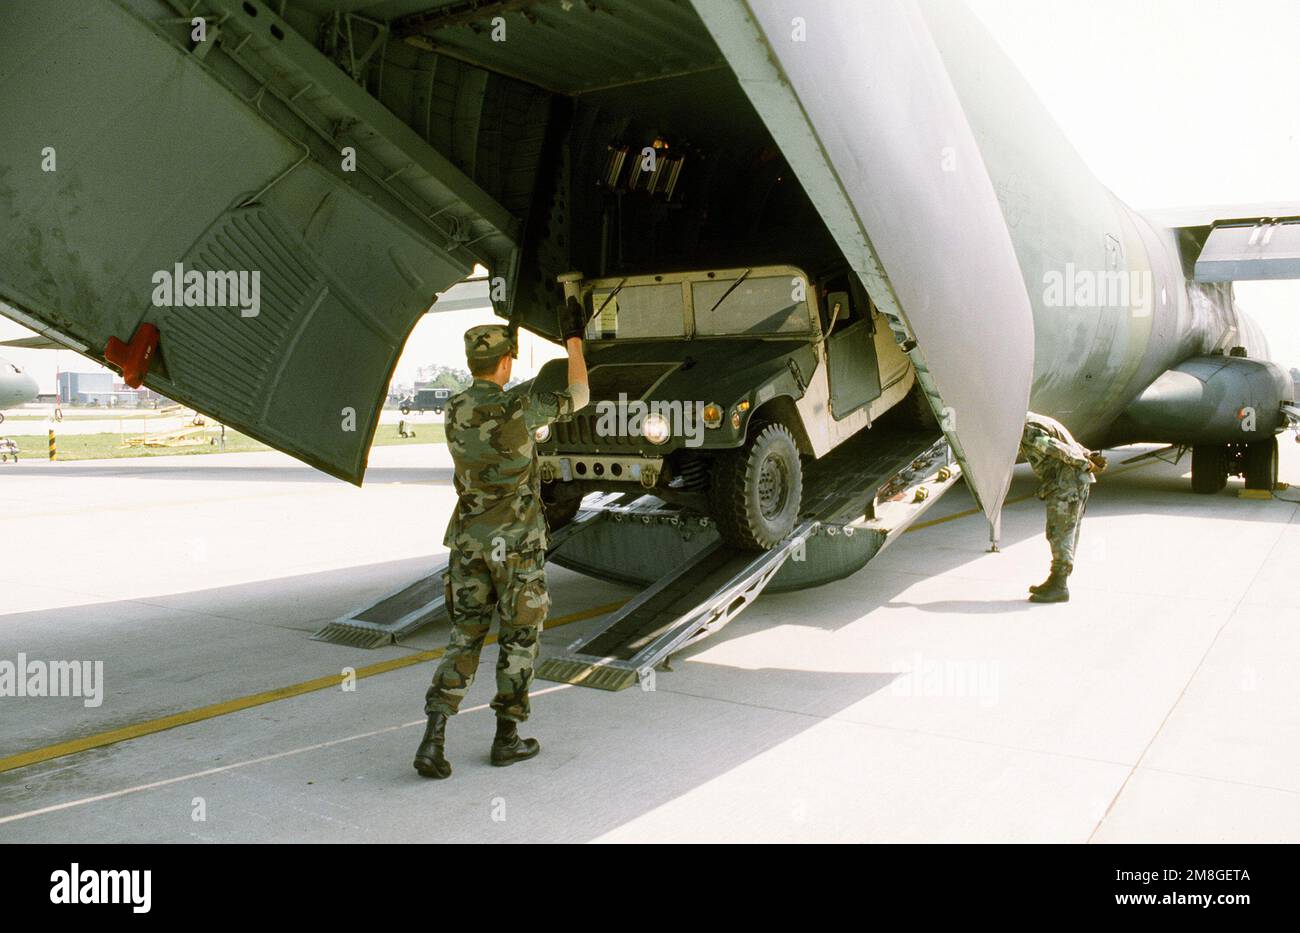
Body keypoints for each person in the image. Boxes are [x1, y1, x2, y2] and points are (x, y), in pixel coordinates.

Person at [414, 305, 590, 779]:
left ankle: (433, 736)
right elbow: (580, 394)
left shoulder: (453, 408)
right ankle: (506, 738)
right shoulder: (520, 405)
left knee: (464, 637)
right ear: (507, 362)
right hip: (516, 545)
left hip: (470, 542)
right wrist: (573, 339)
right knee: (518, 638)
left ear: (472, 363)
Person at [1019, 411, 1106, 603]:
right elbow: (1068, 443)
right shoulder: (1038, 420)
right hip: (1072, 480)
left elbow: (1053, 446)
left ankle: (1059, 585)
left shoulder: (1025, 428)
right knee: (1066, 531)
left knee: (1060, 531)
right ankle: (1056, 580)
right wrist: (1088, 455)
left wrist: (1085, 463)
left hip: (1066, 482)